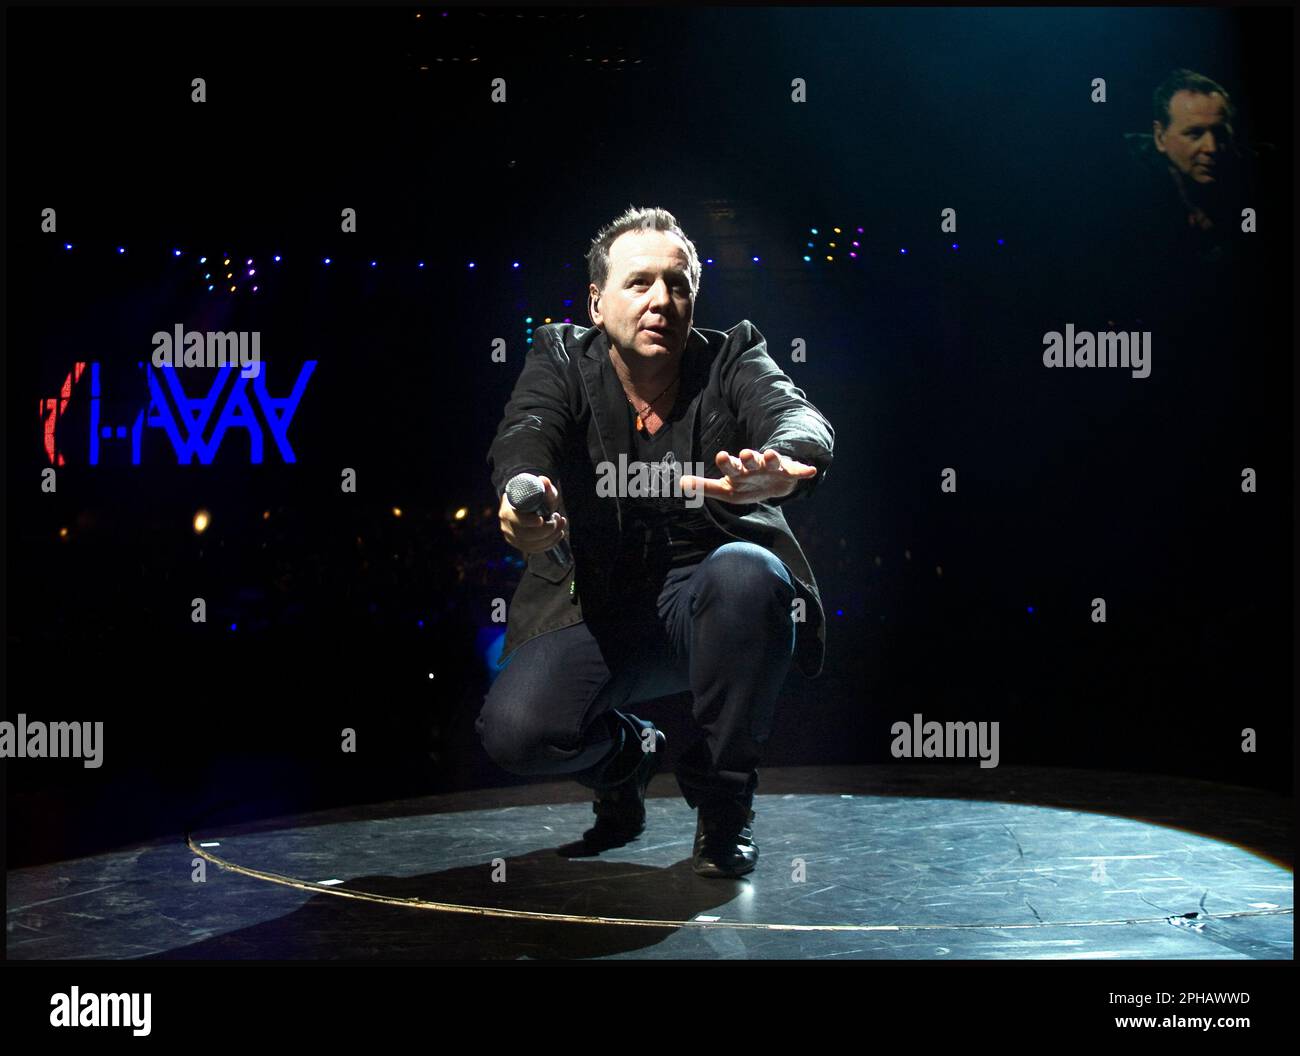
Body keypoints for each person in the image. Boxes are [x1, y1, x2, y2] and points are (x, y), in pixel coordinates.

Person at [477, 205, 834, 878]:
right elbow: (526, 432)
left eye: (678, 284)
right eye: (639, 283)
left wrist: (783, 462)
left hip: (707, 607)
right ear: (596, 300)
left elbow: (797, 414)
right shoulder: (559, 355)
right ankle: (628, 758)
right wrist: (524, 494)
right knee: (517, 736)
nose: (661, 301)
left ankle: (726, 805)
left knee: (751, 571)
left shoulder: (732, 356)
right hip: (594, 611)